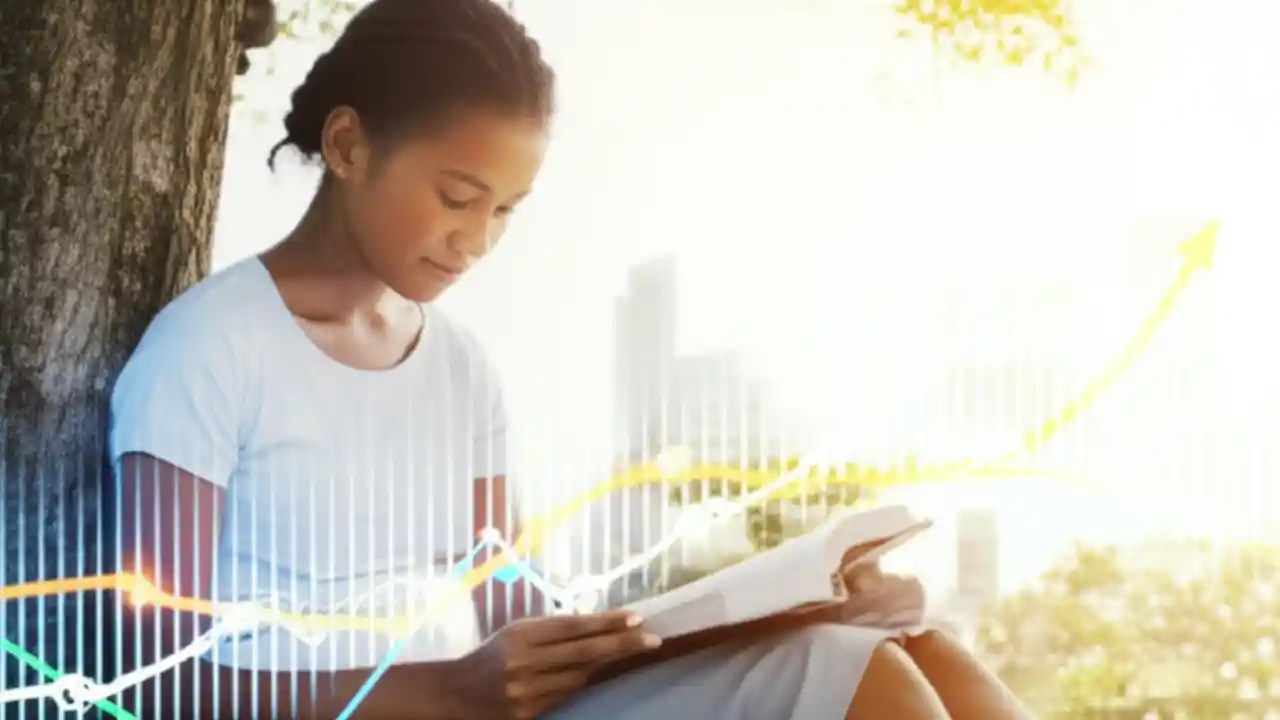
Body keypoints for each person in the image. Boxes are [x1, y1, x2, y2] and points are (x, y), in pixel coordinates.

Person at [109, 0, 1031, 717]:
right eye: (456, 196)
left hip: (479, 709)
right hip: (392, 714)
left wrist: (785, 608)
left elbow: (519, 619)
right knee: (855, 683)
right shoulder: (209, 349)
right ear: (348, 145)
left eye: (505, 210)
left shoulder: (459, 367)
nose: (475, 240)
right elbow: (148, 678)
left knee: (905, 650)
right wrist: (445, 694)